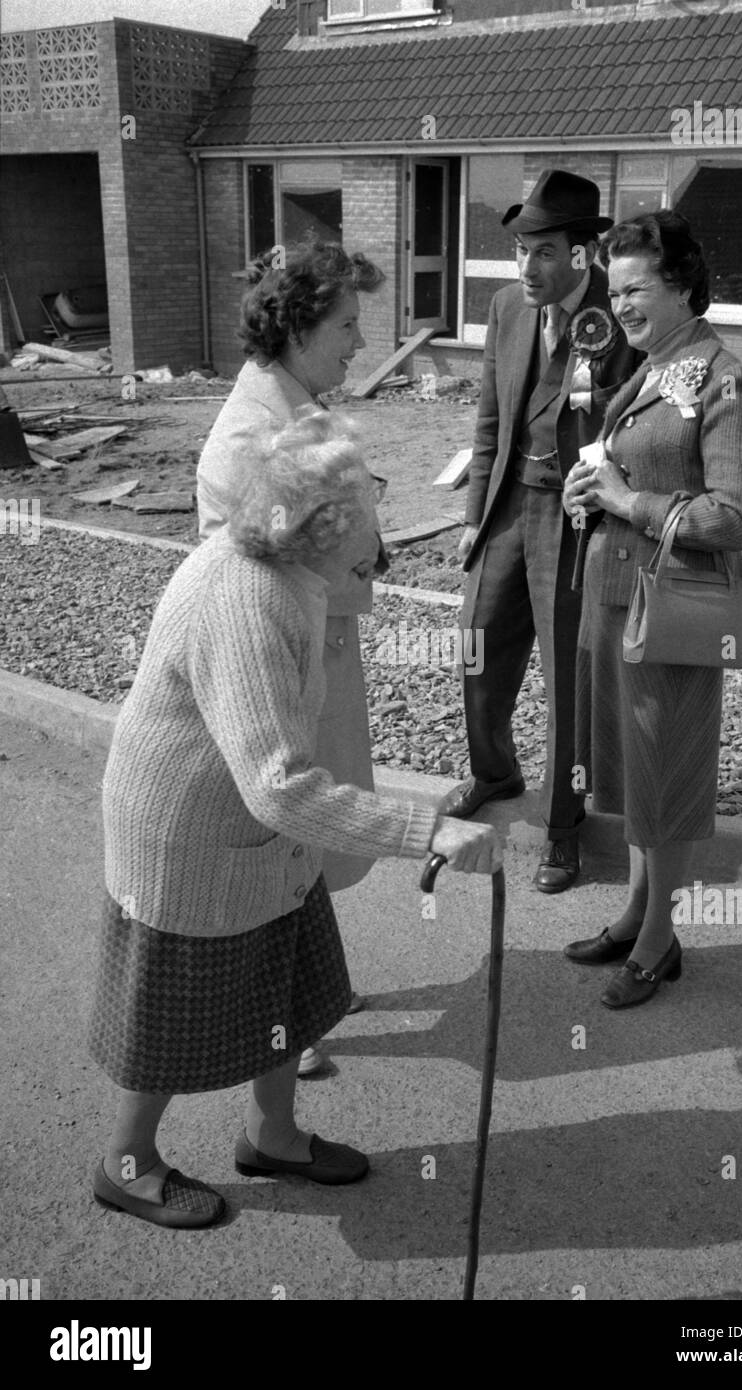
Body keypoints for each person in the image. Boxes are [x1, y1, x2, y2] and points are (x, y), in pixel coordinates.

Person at [89, 412, 501, 1229]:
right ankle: (125, 1163)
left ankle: (271, 1135)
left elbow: (277, 781)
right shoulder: (242, 599)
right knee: (174, 1012)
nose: (381, 524)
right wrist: (428, 830)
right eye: (369, 505)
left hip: (258, 835)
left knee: (286, 980)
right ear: (323, 527)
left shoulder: (289, 573)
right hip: (193, 841)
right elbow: (276, 787)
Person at [562, 209, 742, 1008]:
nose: (621, 307)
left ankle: (658, 944)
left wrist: (629, 499)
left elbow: (733, 517)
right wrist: (595, 495)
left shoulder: (723, 379)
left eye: (636, 289)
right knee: (634, 777)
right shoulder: (651, 369)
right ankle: (635, 913)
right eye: (614, 293)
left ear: (681, 284)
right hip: (619, 602)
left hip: (674, 614)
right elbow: (628, 477)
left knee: (667, 782)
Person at [197, 238, 384, 1075]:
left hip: (317, 650)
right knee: (284, 839)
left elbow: (335, 541)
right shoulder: (254, 437)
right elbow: (281, 569)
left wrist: (365, 548)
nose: (359, 342)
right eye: (346, 324)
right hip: (275, 668)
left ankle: (310, 990)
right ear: (301, 328)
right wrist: (360, 553)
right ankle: (284, 1025)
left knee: (305, 847)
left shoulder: (297, 406)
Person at [440, 170, 643, 893]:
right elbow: (489, 418)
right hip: (504, 511)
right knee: (475, 646)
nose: (528, 267)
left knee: (566, 677)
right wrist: (471, 520)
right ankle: (494, 774)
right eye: (521, 249)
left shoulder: (618, 320)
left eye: (545, 251)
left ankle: (564, 826)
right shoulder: (503, 308)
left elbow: (630, 427)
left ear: (582, 253)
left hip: (575, 521)